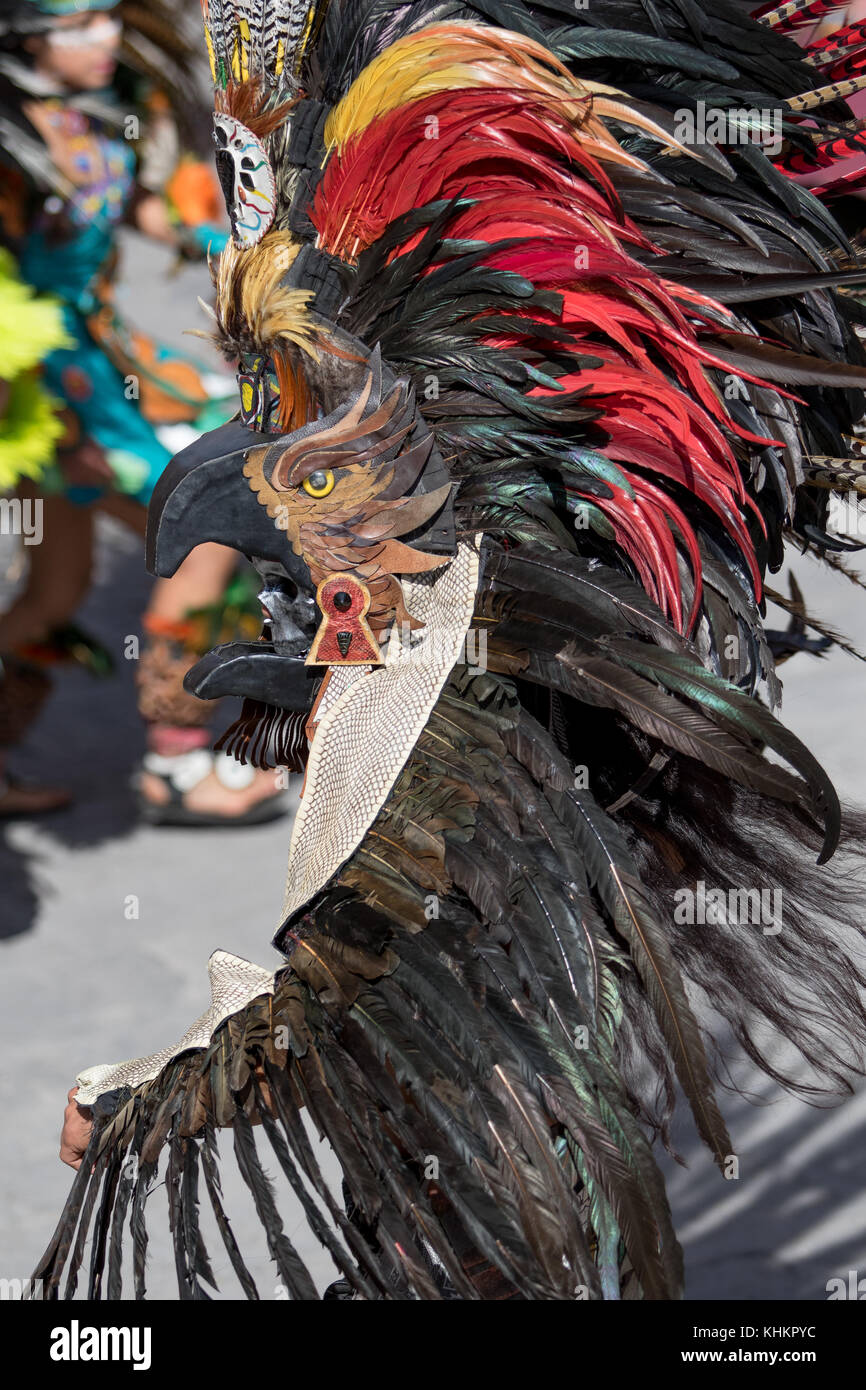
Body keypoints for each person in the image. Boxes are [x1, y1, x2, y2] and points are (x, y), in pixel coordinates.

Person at [0, 0, 287, 823]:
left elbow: (128, 208)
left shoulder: (85, 118)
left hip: (105, 359)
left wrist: (223, 235)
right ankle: (174, 764)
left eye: (103, 16)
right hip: (41, 392)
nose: (102, 38)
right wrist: (46, 429)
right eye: (74, 25)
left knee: (56, 595)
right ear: (22, 36)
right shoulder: (7, 154)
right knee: (203, 527)